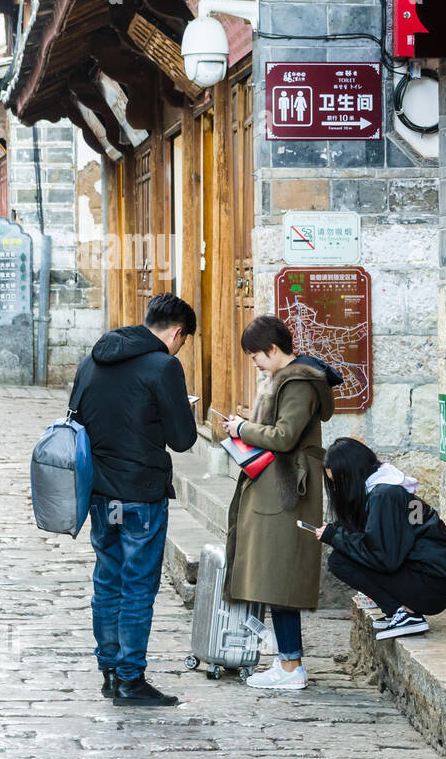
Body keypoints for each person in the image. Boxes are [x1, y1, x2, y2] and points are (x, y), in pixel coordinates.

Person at [71, 293, 198, 707]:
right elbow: (181, 440)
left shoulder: (92, 361)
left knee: (107, 581)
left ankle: (109, 671)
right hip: (141, 494)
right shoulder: (164, 366)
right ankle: (130, 679)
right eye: (184, 340)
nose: (180, 348)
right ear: (177, 332)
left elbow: (78, 419)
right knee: (138, 587)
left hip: (99, 493)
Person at [220, 316, 336, 691]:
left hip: (288, 490)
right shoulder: (288, 379)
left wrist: (242, 429)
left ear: (273, 348)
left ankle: (291, 667)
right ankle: (286, 662)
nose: (254, 362)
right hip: (277, 487)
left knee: (280, 578)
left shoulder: (299, 382)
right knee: (275, 578)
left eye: (256, 354)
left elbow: (285, 436)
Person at [317, 438, 446, 640]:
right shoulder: (384, 489)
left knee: (339, 561)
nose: (338, 489)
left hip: (432, 584)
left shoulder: (384, 495)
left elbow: (382, 557)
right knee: (342, 554)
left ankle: (404, 614)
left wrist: (335, 537)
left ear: (351, 474)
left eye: (339, 482)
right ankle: (398, 611)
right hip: (431, 578)